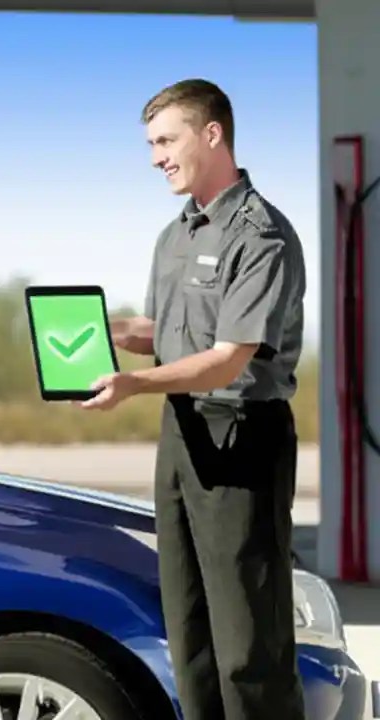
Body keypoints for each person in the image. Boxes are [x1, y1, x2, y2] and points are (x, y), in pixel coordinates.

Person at [80, 78, 307, 720]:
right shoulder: (174, 235)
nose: (155, 156)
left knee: (247, 643)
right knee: (190, 630)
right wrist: (92, 330)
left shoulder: (260, 234)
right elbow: (170, 334)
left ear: (212, 135)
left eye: (165, 140)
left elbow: (229, 356)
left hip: (242, 438)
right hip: (181, 435)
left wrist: (132, 384)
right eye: (151, 143)